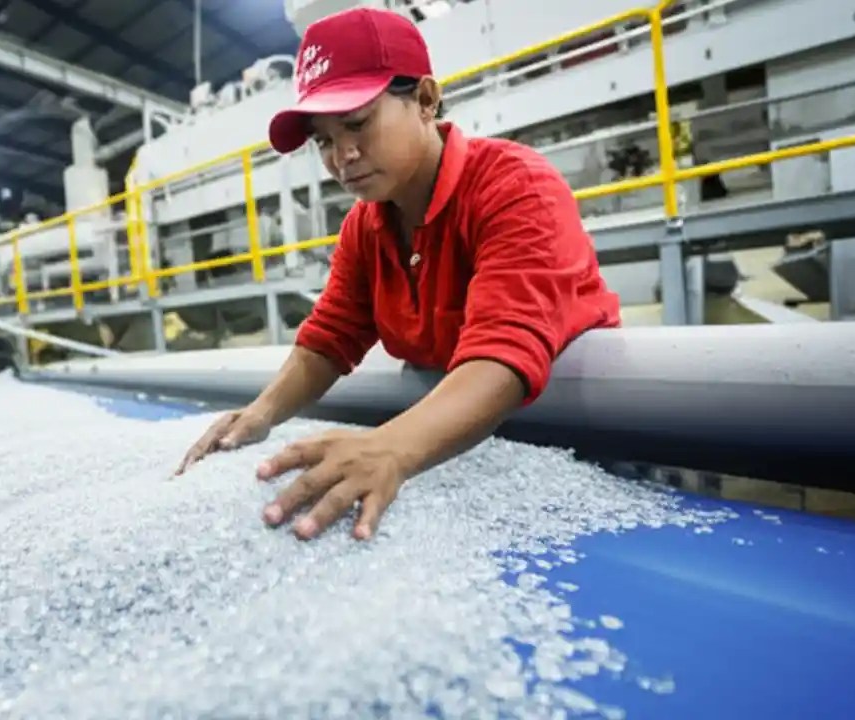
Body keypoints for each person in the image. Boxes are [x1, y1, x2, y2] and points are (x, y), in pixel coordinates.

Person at [176, 7, 621, 542]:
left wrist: (389, 447)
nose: (342, 156)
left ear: (426, 100)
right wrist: (259, 415)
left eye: (358, 123)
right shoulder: (365, 226)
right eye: (322, 139)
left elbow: (504, 351)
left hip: (578, 448)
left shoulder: (515, 188)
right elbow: (331, 337)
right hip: (461, 445)